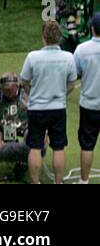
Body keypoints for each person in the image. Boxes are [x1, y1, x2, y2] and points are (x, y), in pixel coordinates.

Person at [19, 19, 78, 184]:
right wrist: (62, 94)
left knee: (35, 146)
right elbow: (72, 83)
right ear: (59, 37)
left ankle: (35, 182)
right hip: (58, 108)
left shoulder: (33, 57)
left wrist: (31, 94)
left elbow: (24, 81)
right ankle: (58, 182)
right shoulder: (68, 58)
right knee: (58, 147)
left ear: (44, 37)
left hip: (37, 108)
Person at [73, 13, 100, 183]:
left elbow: (75, 74)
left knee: (87, 145)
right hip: (90, 104)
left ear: (92, 28)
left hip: (90, 105)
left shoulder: (82, 50)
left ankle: (84, 181)